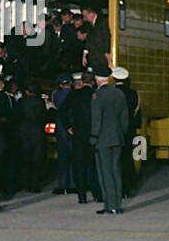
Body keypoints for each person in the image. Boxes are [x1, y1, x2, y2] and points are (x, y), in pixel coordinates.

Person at [90, 66, 130, 214]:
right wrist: (122, 133)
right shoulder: (119, 93)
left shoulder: (98, 95)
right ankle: (117, 205)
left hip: (102, 139)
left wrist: (94, 137)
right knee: (116, 171)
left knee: (105, 172)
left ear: (97, 79)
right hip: (117, 137)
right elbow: (124, 117)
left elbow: (97, 119)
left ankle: (110, 205)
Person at [61, 72, 103, 204]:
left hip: (78, 133)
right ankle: (97, 194)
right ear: (93, 82)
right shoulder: (97, 95)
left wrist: (68, 126)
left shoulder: (74, 95)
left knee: (79, 164)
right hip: (95, 133)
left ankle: (82, 195)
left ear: (81, 81)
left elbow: (62, 110)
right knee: (94, 164)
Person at [13, 82, 48, 192]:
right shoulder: (41, 102)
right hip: (38, 132)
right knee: (37, 159)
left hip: (24, 133)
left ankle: (26, 182)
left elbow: (16, 116)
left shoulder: (21, 102)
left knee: (25, 158)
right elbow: (44, 116)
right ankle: (35, 184)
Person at [112, 66, 142, 197]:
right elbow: (137, 113)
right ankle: (128, 187)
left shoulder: (111, 93)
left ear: (113, 79)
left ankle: (117, 187)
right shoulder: (133, 94)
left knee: (115, 159)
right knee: (128, 158)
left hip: (114, 129)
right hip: (129, 129)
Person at [51, 74, 76, 194]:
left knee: (62, 157)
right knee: (73, 156)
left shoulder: (56, 94)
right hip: (73, 126)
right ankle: (73, 184)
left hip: (60, 128)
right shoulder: (74, 94)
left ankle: (62, 184)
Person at [81, 5, 112, 73]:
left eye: (86, 16)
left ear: (92, 13)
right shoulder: (89, 25)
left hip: (101, 56)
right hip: (93, 57)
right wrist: (84, 55)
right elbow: (88, 40)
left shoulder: (102, 21)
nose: (85, 19)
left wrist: (107, 53)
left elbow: (106, 36)